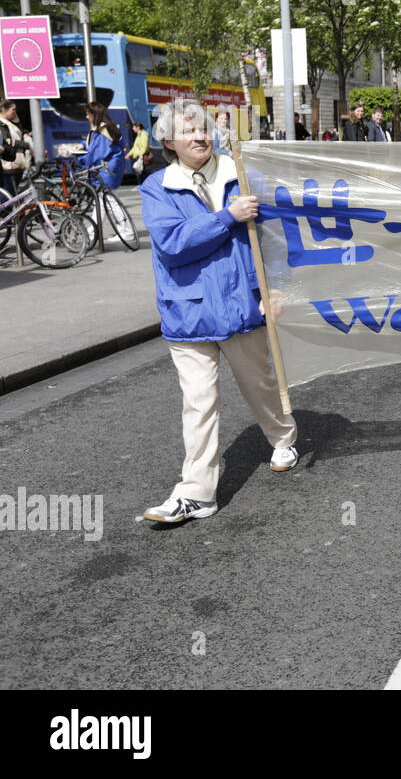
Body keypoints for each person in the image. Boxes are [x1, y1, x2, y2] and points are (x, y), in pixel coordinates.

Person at [138, 98, 298, 525]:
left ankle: (283, 437)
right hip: (187, 313)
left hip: (242, 305)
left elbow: (275, 237)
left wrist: (277, 287)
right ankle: (197, 493)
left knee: (261, 386)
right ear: (169, 141)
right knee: (199, 404)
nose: (200, 136)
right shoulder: (158, 186)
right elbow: (172, 244)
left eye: (203, 128)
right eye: (188, 131)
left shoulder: (242, 174)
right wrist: (227, 216)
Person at [78, 101, 128, 189]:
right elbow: (100, 147)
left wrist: (79, 159)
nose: (87, 117)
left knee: (105, 199)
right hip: (109, 171)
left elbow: (96, 155)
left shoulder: (102, 132)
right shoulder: (107, 128)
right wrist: (83, 145)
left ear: (94, 115)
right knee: (106, 199)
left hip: (104, 173)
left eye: (88, 114)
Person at [0, 99, 32, 197]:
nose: (15, 112)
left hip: (15, 163)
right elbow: (8, 142)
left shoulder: (10, 123)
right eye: (13, 110)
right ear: (4, 110)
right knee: (7, 195)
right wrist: (26, 145)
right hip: (8, 164)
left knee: (12, 194)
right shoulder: (2, 124)